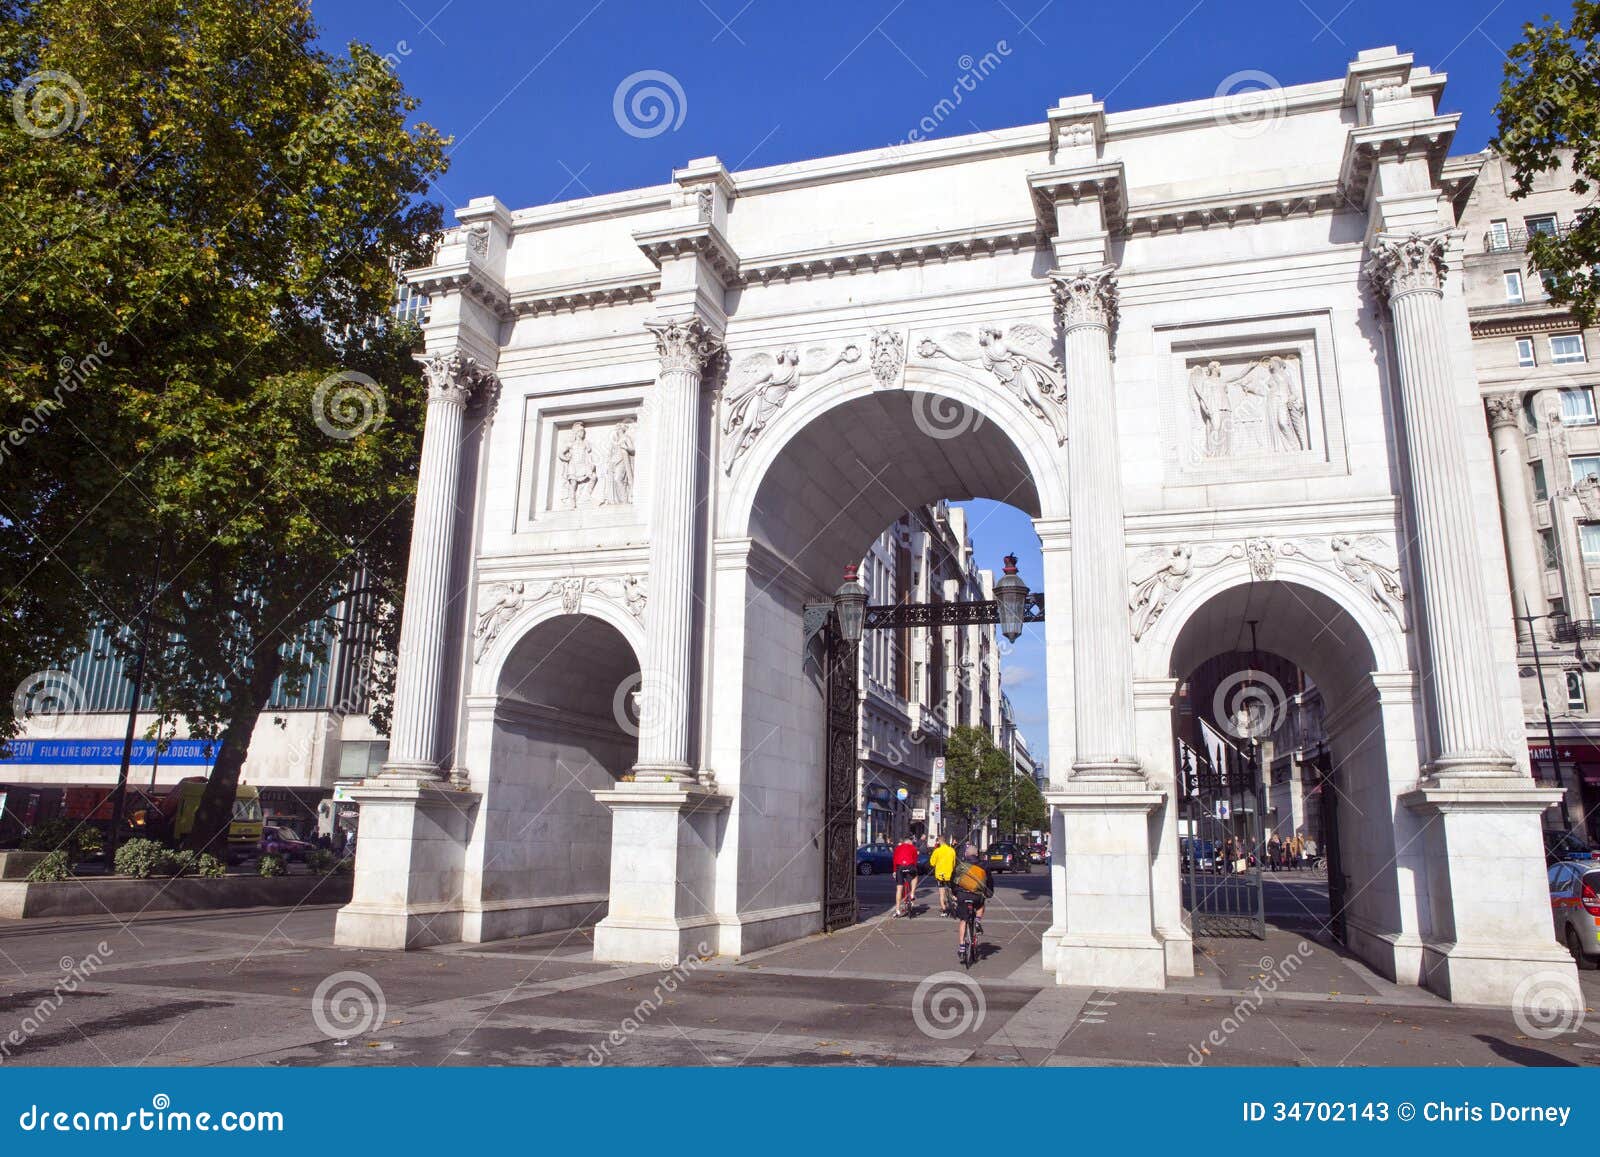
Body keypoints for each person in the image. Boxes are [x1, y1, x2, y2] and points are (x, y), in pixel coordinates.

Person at [949, 855, 994, 965]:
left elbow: (953, 880)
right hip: (976, 896)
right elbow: (989, 882)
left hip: (962, 895)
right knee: (980, 905)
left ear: (966, 855)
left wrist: (955, 893)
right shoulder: (984, 866)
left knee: (963, 921)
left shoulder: (960, 865)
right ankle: (977, 920)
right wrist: (989, 893)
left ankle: (962, 948)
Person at [929, 837, 957, 917]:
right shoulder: (951, 850)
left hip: (940, 875)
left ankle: (944, 910)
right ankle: (954, 901)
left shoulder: (937, 851)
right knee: (952, 890)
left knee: (941, 893)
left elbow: (932, 863)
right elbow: (954, 863)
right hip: (950, 875)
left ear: (939, 842)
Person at [891, 834, 919, 917]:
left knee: (899, 888)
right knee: (915, 876)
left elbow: (894, 860)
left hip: (899, 868)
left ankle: (897, 910)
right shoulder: (913, 848)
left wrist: (894, 871)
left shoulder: (897, 848)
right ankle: (912, 893)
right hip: (910, 867)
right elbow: (915, 861)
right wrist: (914, 868)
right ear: (909, 841)